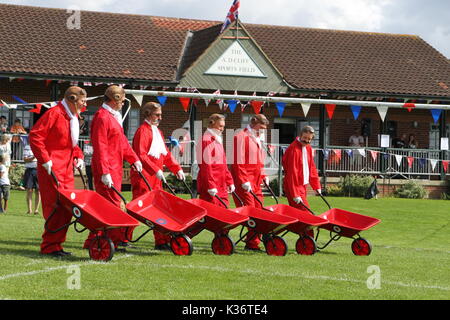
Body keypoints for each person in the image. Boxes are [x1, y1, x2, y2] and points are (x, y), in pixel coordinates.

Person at [29, 86, 86, 257]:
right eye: (82, 101)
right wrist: (45, 159)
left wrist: (78, 155)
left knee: (66, 207)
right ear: (72, 99)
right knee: (55, 206)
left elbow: (71, 143)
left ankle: (57, 244)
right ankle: (49, 246)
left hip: (66, 168)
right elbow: (36, 136)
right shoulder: (54, 113)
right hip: (52, 167)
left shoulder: (71, 115)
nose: (84, 105)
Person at [83, 85, 142, 250]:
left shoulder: (112, 117)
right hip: (107, 168)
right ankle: (108, 240)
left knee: (109, 206)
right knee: (112, 205)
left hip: (114, 168)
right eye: (122, 100)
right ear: (115, 100)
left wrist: (134, 159)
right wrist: (104, 171)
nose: (123, 103)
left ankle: (103, 240)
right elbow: (100, 146)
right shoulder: (102, 117)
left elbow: (122, 142)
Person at [130, 102, 185, 250]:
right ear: (148, 114)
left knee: (159, 210)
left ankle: (161, 240)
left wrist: (177, 168)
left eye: (161, 115)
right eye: (157, 115)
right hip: (143, 177)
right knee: (137, 210)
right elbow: (141, 155)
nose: (160, 118)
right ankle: (123, 237)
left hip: (155, 177)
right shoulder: (142, 131)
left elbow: (165, 154)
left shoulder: (157, 132)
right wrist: (155, 170)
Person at [231, 114, 269, 251]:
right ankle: (252, 243)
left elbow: (259, 160)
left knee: (259, 211)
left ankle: (253, 242)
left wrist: (263, 175)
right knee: (251, 212)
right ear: (253, 123)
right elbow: (238, 161)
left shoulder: (256, 138)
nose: (263, 131)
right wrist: (243, 180)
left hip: (256, 181)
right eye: (261, 128)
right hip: (245, 182)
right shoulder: (240, 136)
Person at [282, 126, 322, 229]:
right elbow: (292, 173)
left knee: (300, 213)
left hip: (302, 185)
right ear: (300, 135)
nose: (307, 141)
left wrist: (316, 186)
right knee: (306, 213)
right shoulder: (293, 149)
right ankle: (307, 238)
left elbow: (311, 167)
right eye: (305, 138)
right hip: (293, 186)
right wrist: (295, 193)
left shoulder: (308, 148)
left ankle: (302, 234)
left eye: (309, 139)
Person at [197, 114, 234, 207]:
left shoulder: (216, 140)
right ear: (211, 124)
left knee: (224, 213)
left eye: (223, 127)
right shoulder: (206, 140)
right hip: (212, 185)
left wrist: (229, 181)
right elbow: (206, 165)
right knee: (212, 214)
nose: (222, 129)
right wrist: (210, 185)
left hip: (221, 184)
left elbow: (223, 164)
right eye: (220, 126)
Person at [23, 144, 41, 214]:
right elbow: (25, 159)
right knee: (29, 190)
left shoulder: (40, 146)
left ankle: (36, 210)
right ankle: (29, 209)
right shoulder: (27, 147)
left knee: (38, 191)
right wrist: (33, 157)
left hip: (39, 170)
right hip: (29, 170)